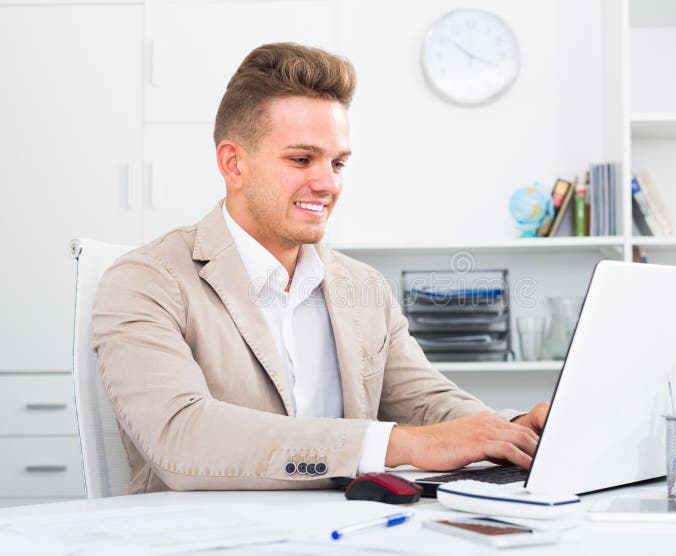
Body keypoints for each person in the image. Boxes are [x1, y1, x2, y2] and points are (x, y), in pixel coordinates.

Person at [92, 42, 549, 494]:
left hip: (343, 532)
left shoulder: (362, 286)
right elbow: (182, 436)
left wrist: (512, 431)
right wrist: (397, 443)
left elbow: (425, 402)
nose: (328, 183)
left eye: (338, 162)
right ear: (234, 164)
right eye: (301, 159)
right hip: (203, 538)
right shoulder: (146, 280)